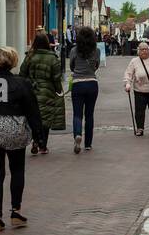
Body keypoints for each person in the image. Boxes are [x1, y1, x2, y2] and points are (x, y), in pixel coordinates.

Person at [0, 47, 45, 232]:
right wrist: (39, 135)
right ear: (14, 62)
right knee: (17, 169)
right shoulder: (22, 83)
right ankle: (15, 211)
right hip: (15, 130)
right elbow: (32, 110)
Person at [20, 32, 64, 154]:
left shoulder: (29, 56)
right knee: (46, 119)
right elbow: (56, 77)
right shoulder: (52, 58)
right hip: (47, 92)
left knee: (34, 118)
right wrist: (58, 90)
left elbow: (22, 73)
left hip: (31, 91)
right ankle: (43, 145)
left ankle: (35, 140)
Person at [69, 25, 102, 153]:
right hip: (92, 83)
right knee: (89, 114)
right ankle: (88, 143)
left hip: (77, 83)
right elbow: (96, 66)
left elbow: (71, 66)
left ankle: (77, 135)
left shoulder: (74, 50)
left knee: (77, 113)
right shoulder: (97, 50)